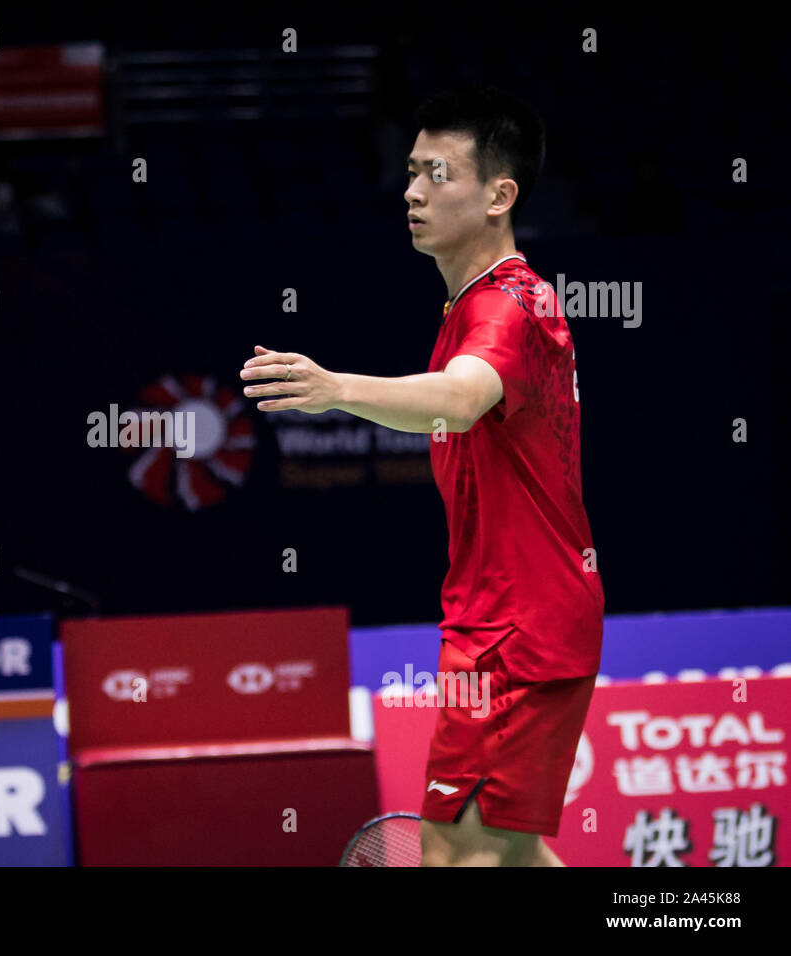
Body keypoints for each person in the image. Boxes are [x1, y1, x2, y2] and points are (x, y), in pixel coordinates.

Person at [240, 85, 603, 866]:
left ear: (500, 195)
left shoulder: (508, 307)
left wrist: (338, 390)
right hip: (509, 615)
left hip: (517, 627)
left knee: (452, 855)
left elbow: (462, 399)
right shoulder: (475, 305)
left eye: (437, 173)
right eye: (410, 170)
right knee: (509, 856)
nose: (411, 190)